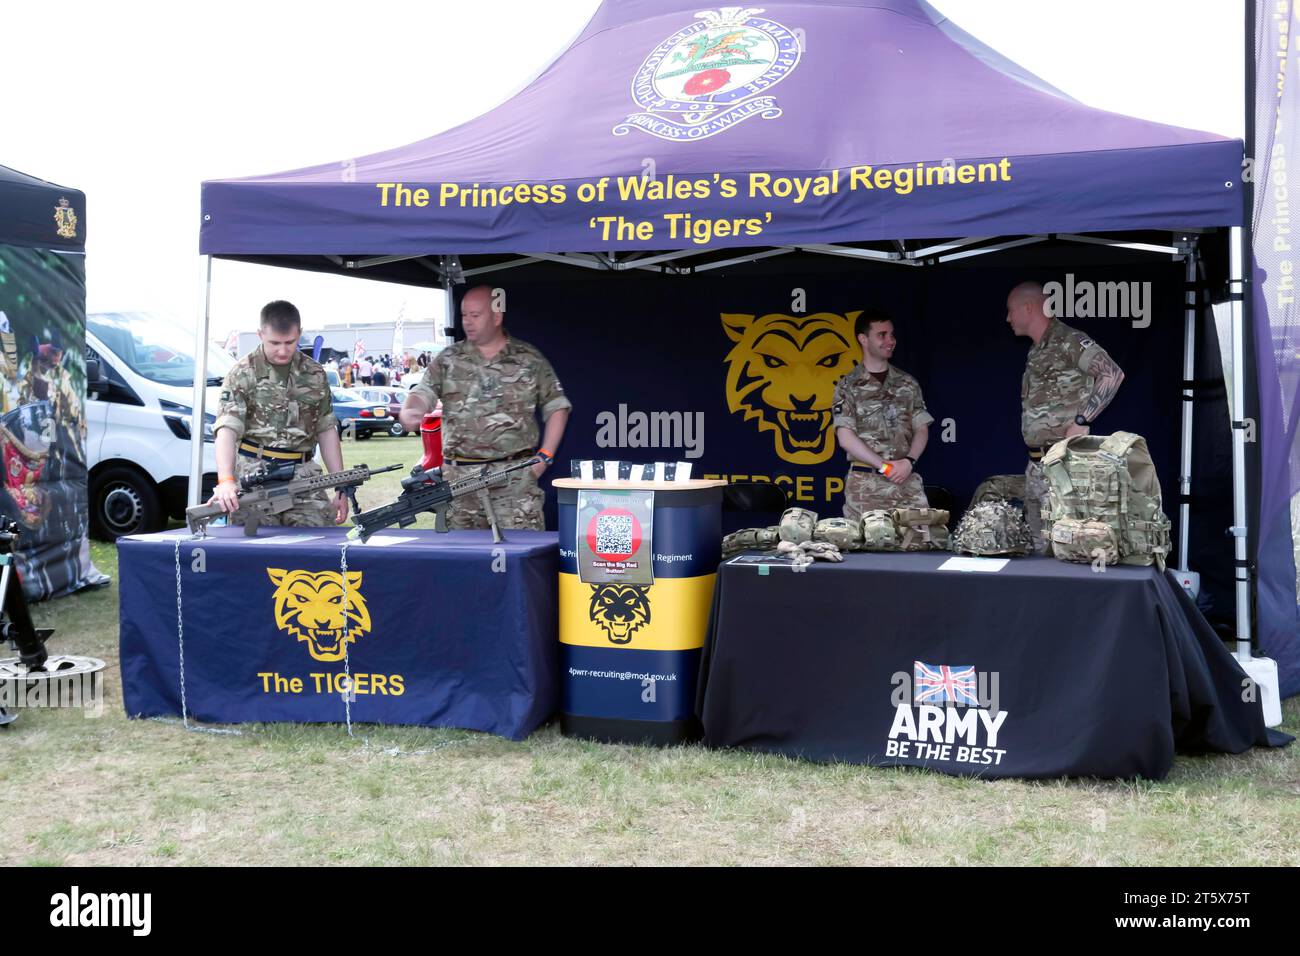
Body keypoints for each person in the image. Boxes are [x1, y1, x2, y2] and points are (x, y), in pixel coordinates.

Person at [399, 285, 571, 530]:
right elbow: (422, 393)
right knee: (462, 563)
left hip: (514, 484)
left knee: (519, 562)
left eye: (475, 315)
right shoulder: (449, 359)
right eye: (464, 315)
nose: (468, 322)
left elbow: (557, 407)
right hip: (459, 485)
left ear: (497, 316)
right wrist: (411, 410)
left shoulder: (528, 359)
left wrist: (544, 457)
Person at [208, 301, 350, 528]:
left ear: (299, 334)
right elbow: (226, 429)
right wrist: (225, 480)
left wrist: (340, 484)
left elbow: (326, 429)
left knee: (319, 548)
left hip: (303, 477)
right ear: (260, 334)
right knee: (255, 553)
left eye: (290, 342)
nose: (282, 350)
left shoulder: (314, 373)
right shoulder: (242, 373)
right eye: (274, 343)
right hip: (255, 477)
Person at [1007, 281, 1125, 551]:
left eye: (1011, 310)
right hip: (1038, 465)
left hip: (1065, 467)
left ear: (1028, 308)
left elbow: (1112, 373)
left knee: (1069, 547)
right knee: (1039, 548)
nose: (1008, 318)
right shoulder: (1037, 350)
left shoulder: (1068, 340)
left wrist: (1083, 420)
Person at [832, 309, 932, 520]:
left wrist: (908, 461)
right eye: (882, 335)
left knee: (921, 545)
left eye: (892, 334)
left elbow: (921, 428)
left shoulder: (907, 383)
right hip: (866, 487)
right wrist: (885, 467)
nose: (890, 340)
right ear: (863, 339)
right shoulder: (847, 386)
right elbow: (846, 438)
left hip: (906, 482)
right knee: (866, 549)